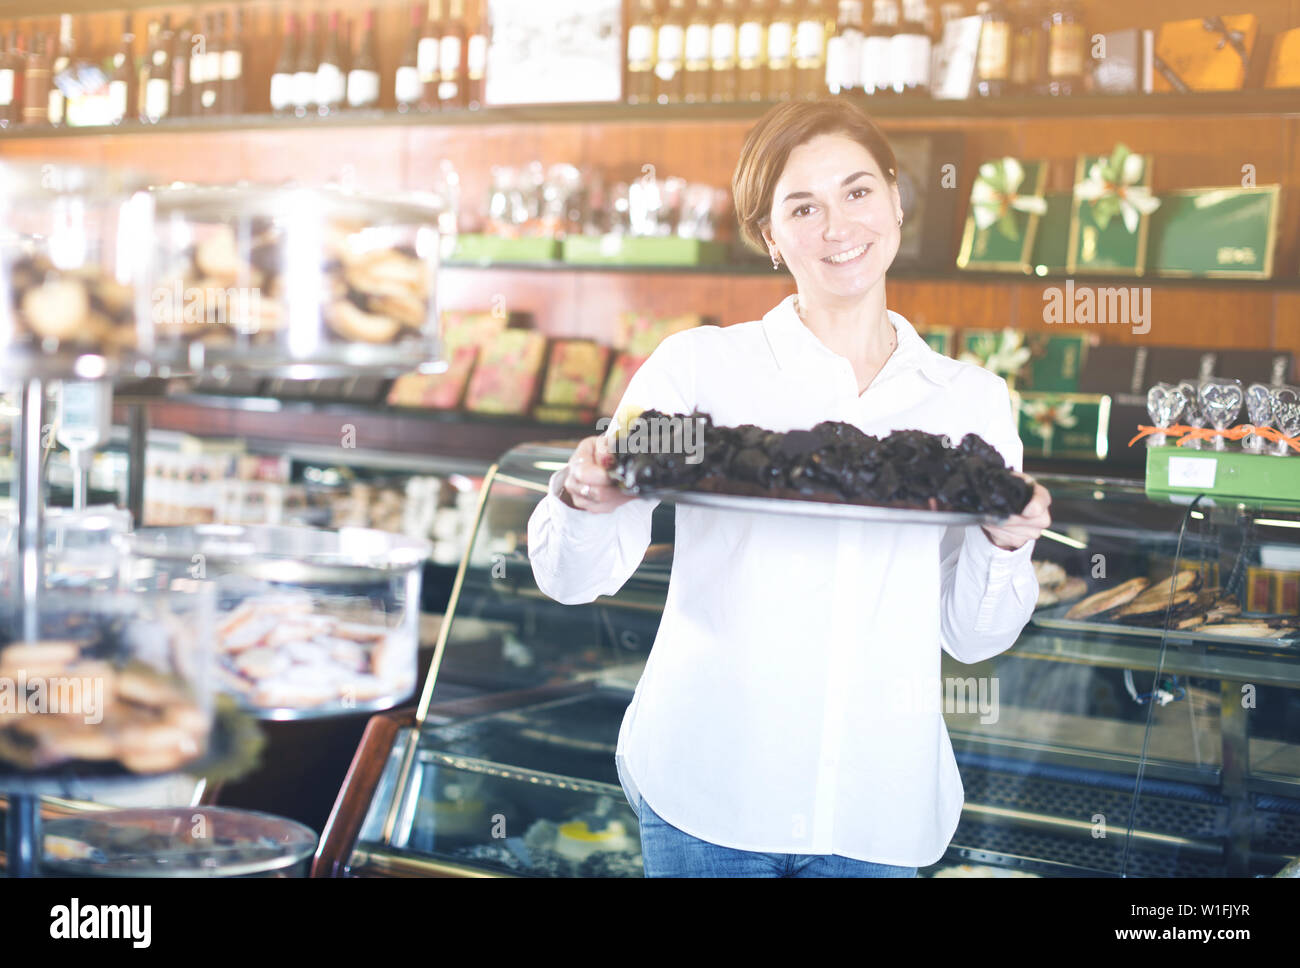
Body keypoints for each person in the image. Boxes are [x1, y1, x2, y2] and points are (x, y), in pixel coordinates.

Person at [527, 98, 1051, 877]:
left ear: (896, 200)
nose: (838, 226)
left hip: (878, 811)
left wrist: (1006, 546)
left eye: (858, 191)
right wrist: (581, 495)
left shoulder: (969, 401)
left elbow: (972, 638)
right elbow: (571, 579)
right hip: (708, 792)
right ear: (771, 236)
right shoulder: (700, 370)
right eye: (803, 206)